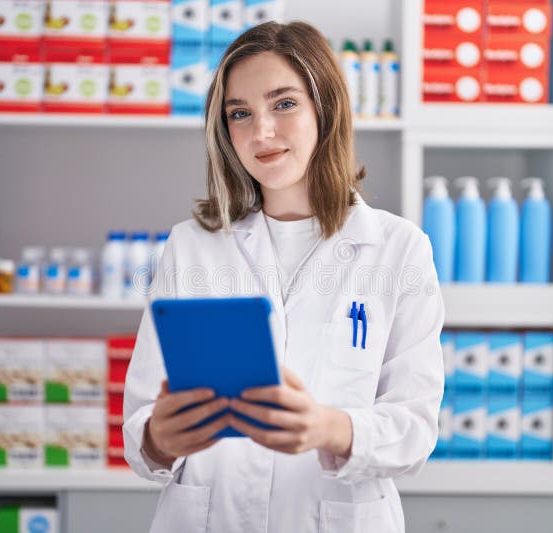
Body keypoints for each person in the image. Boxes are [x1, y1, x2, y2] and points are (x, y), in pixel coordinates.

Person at [123, 21, 445, 533]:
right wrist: (163, 438)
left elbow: (413, 431)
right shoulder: (191, 246)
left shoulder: (399, 249)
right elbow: (141, 428)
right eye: (240, 114)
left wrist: (329, 428)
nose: (261, 132)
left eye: (284, 104)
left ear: (326, 108)